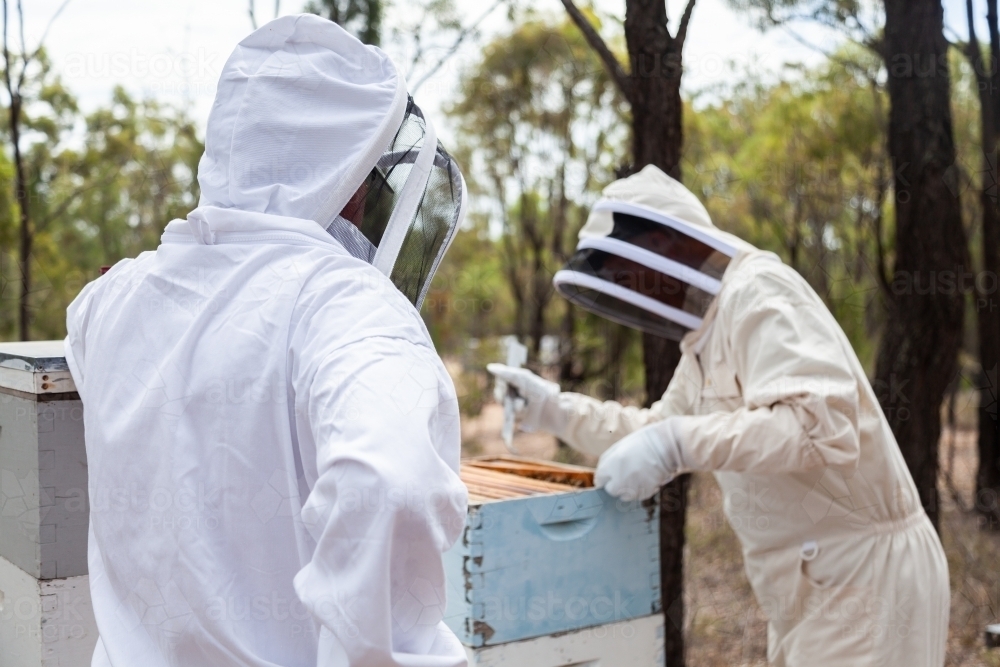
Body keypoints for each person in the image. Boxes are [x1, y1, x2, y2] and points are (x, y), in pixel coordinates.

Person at [64, 14, 469, 667]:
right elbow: (387, 485)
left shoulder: (115, 300)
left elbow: (87, 315)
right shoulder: (354, 310)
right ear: (354, 185)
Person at [489, 165, 949, 666]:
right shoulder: (706, 338)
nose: (631, 290)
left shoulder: (760, 293)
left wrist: (678, 444)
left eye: (626, 273)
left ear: (666, 245)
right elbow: (657, 430)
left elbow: (821, 427)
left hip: (866, 582)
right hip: (808, 586)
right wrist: (554, 409)